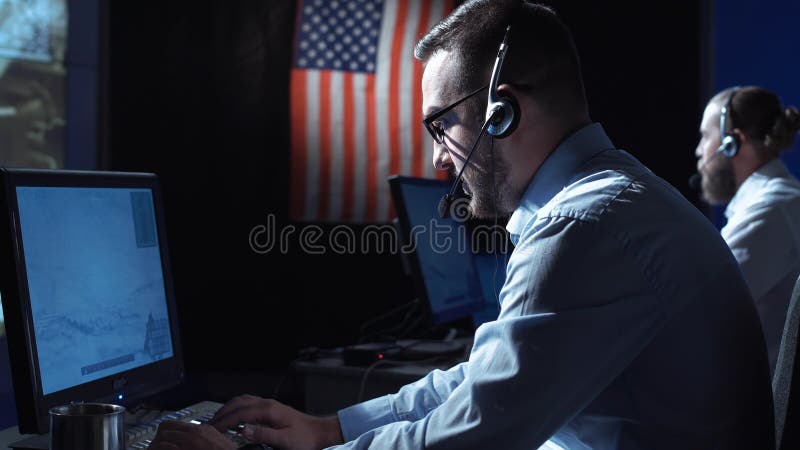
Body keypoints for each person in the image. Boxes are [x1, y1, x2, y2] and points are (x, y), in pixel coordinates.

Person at [151, 1, 775, 448]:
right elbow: (486, 380)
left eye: (440, 124)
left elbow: (470, 437)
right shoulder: (611, 198)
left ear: (504, 111)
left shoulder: (585, 228)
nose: (435, 157)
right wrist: (332, 428)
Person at [695, 86, 800, 373]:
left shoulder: (769, 211)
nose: (699, 151)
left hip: (754, 411)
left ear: (733, 142)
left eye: (705, 137)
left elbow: (694, 310)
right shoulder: (780, 201)